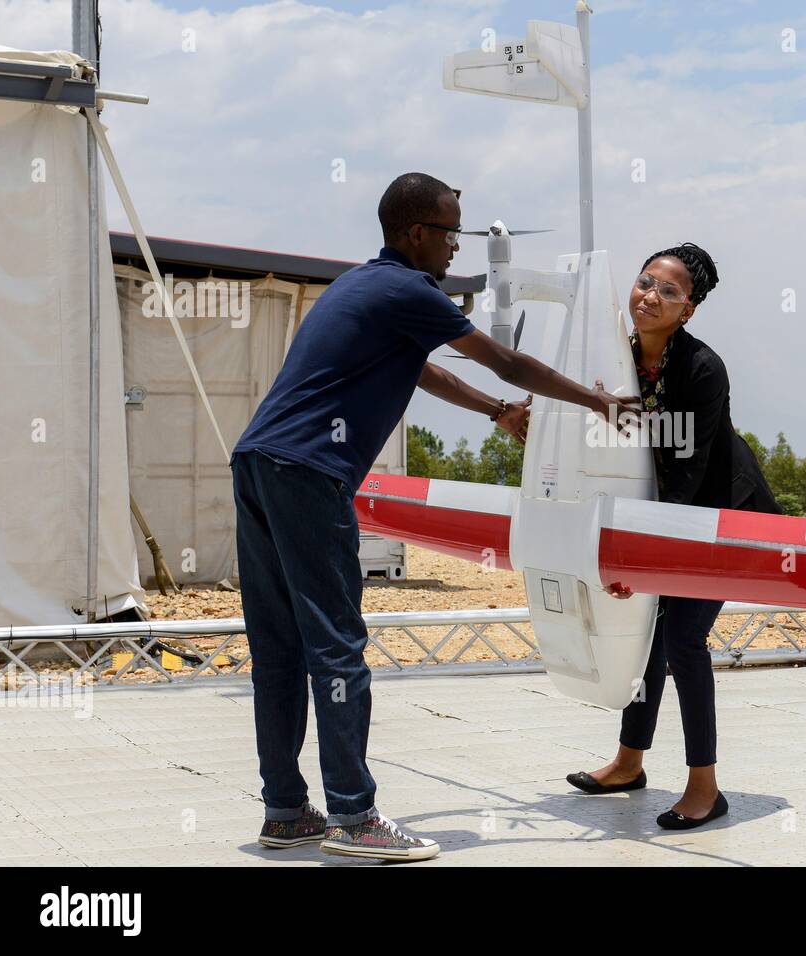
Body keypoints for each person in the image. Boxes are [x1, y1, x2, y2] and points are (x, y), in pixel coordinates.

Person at [232, 172, 637, 862]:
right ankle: (355, 819)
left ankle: (285, 812)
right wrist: (595, 402)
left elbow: (425, 372)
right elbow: (508, 361)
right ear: (417, 232)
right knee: (336, 645)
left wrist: (494, 414)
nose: (458, 247)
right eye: (452, 232)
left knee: (280, 649)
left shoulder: (362, 287)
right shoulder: (408, 290)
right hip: (309, 473)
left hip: (258, 462)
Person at [566, 243, 781, 830]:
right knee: (648, 641)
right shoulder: (619, 356)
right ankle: (629, 763)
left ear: (688, 310)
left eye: (668, 291)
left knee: (683, 639)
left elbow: (686, 476)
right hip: (660, 511)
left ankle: (705, 789)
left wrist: (634, 559)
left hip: (717, 516)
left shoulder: (702, 369)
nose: (650, 296)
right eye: (644, 283)